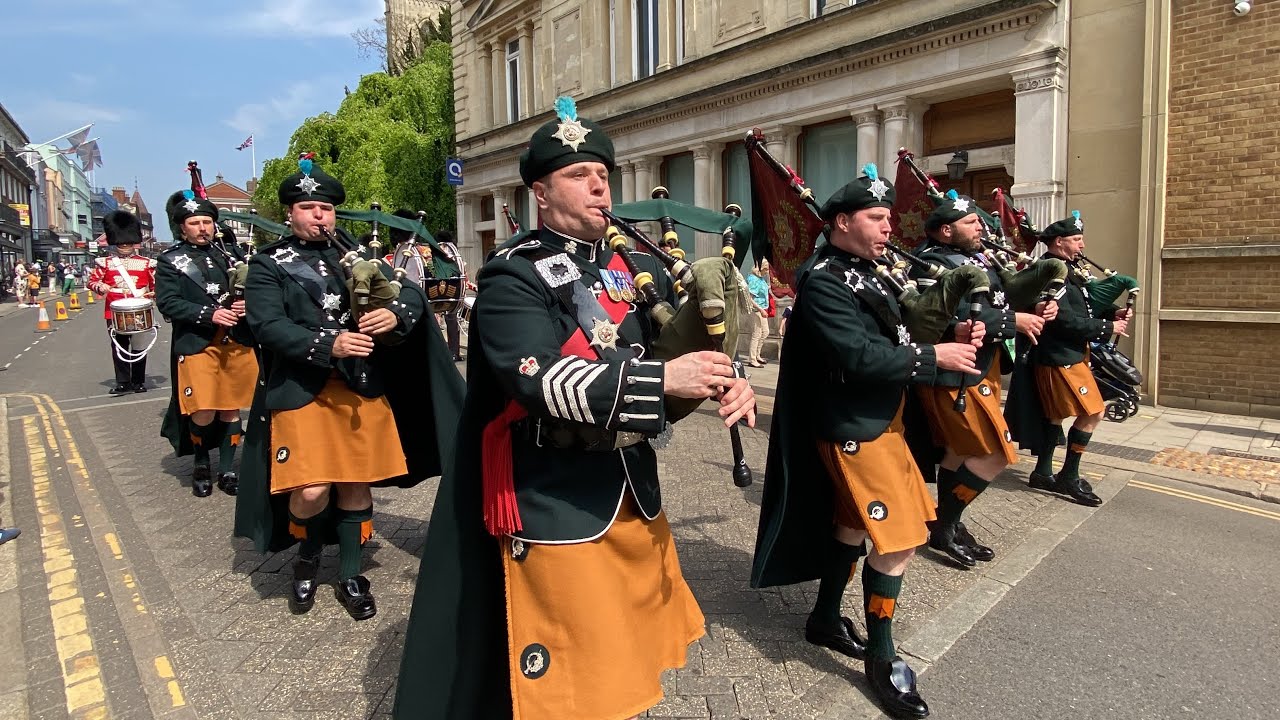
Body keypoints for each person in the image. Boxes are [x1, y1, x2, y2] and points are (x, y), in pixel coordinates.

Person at [393, 96, 756, 720]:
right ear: (541, 191)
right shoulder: (514, 275)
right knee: (575, 676)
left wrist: (721, 371)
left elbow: (672, 356)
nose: (598, 187)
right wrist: (664, 375)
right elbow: (536, 377)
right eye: (578, 175)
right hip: (554, 492)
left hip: (630, 486)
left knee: (629, 657)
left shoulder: (631, 268)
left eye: (603, 176)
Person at [751, 164, 984, 719]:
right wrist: (937, 357)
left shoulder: (869, 271)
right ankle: (882, 660)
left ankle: (825, 619)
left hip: (884, 421)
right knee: (900, 540)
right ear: (841, 221)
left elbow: (896, 330)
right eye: (877, 218)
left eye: (887, 218)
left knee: (853, 527)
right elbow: (857, 357)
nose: (888, 228)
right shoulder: (825, 281)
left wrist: (946, 334)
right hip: (855, 426)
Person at [233, 154, 463, 620]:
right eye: (309, 208)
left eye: (327, 209)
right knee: (312, 490)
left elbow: (414, 293)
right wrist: (330, 343)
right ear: (290, 214)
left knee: (356, 484)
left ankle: (351, 575)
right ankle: (307, 556)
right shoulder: (268, 265)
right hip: (303, 387)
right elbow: (267, 326)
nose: (320, 216)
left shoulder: (358, 257)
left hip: (361, 387)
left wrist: (397, 314)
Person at [905, 192, 1057, 567]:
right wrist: (1014, 322)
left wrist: (1035, 306)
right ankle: (944, 524)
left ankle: (951, 524)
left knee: (960, 451)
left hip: (980, 365)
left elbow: (999, 300)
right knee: (995, 454)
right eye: (970, 223)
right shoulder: (929, 265)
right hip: (950, 374)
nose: (981, 227)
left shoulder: (978, 258)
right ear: (945, 231)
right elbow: (948, 321)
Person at [1005, 211, 1129, 507]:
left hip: (1068, 354)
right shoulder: (1052, 270)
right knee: (1094, 412)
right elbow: (1063, 320)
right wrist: (1107, 327)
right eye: (1077, 239)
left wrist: (1112, 312)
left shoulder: (1069, 268)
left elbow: (1084, 303)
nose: (1082, 245)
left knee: (1055, 414)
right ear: (1059, 242)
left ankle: (1043, 471)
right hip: (1059, 355)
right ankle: (1068, 475)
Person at [156, 190, 259, 498]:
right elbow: (167, 303)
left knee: (230, 408)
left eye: (207, 221)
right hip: (198, 342)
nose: (203, 228)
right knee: (202, 409)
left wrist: (247, 303)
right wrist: (210, 314)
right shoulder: (170, 260)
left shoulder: (232, 255)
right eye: (195, 222)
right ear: (182, 227)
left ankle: (228, 470)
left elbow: (254, 287)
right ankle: (202, 463)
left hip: (236, 341)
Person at [87, 212, 158, 395]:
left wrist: (153, 294)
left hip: (139, 308)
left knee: (139, 347)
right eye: (121, 243)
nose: (125, 246)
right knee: (119, 347)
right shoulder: (105, 263)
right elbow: (92, 281)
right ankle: (123, 381)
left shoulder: (147, 263)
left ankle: (138, 381)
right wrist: (100, 286)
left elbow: (156, 285)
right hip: (115, 310)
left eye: (127, 243)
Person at [435, 230, 466, 362]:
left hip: (444, 288)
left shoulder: (443, 252)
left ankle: (450, 351)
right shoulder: (453, 252)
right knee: (451, 320)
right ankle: (453, 352)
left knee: (449, 319)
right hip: (450, 289)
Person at [745, 260, 772, 367]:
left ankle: (757, 355)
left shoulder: (760, 279)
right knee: (757, 334)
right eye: (766, 269)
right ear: (762, 268)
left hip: (762, 309)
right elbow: (750, 299)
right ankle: (752, 359)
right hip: (757, 310)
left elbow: (766, 288)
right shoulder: (754, 280)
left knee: (765, 332)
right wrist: (760, 309)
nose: (768, 271)